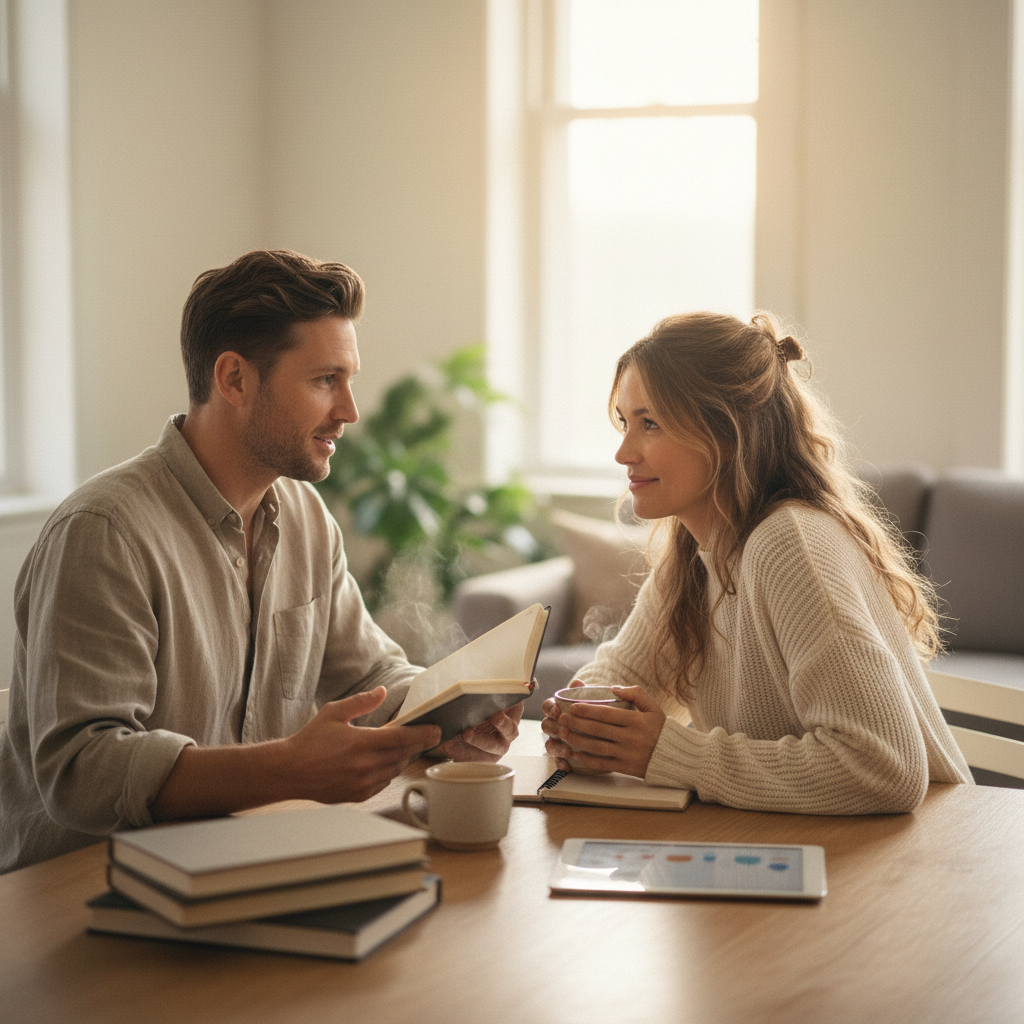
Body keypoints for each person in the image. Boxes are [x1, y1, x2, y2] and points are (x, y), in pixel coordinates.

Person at [0, 249, 520, 873]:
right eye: (326, 380)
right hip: (89, 889)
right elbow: (82, 772)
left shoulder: (304, 517)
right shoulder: (104, 533)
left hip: (236, 867)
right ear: (235, 379)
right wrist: (286, 768)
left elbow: (367, 675)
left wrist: (447, 716)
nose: (350, 412)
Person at [541, 311, 971, 815]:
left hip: (910, 862)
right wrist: (584, 723)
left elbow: (884, 767)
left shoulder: (790, 544)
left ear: (725, 432)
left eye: (650, 424)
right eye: (625, 422)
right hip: (802, 844)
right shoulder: (694, 554)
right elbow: (623, 672)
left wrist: (670, 754)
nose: (623, 452)